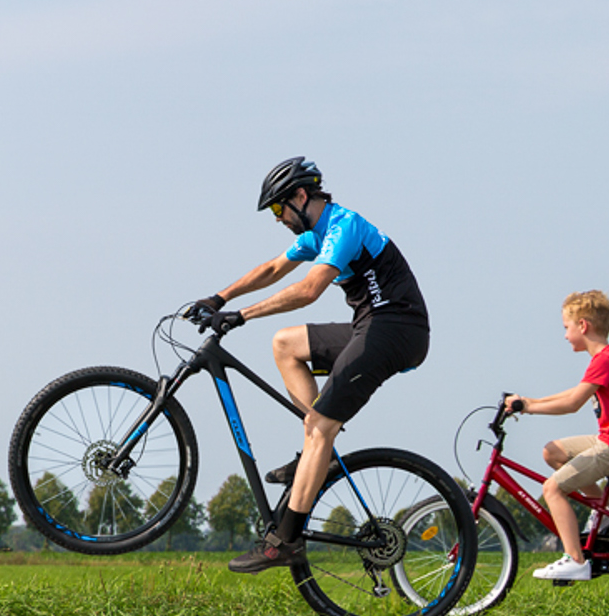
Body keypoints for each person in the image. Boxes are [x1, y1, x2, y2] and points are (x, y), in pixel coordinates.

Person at [181, 157, 431, 573]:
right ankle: (319, 454)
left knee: (321, 428)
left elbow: (309, 289)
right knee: (286, 345)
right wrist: (219, 299)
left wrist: (242, 316)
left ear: (301, 196)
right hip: (371, 324)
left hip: (396, 329)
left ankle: (286, 540)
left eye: (279, 209)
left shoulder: (343, 226)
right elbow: (274, 269)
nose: (278, 219)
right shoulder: (319, 231)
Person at [505, 290, 609, 583]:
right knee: (552, 452)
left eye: (566, 328)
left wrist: (529, 408)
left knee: (553, 489)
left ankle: (575, 560)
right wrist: (529, 401)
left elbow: (572, 404)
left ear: (583, 326)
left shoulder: (606, 359)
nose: (565, 335)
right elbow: (573, 392)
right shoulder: (604, 358)